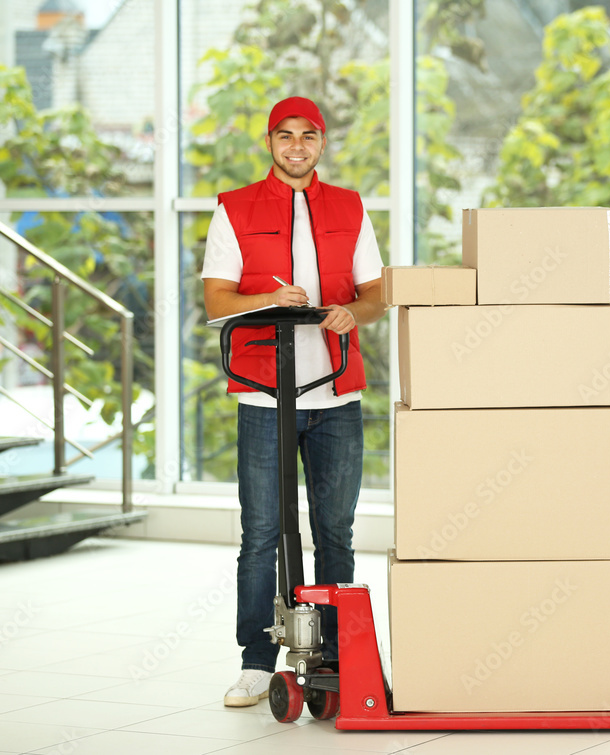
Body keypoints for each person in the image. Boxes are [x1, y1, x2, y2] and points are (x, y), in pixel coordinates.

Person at [201, 96, 385, 707]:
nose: (297, 146)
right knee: (261, 533)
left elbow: (376, 297)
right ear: (270, 142)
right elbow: (217, 302)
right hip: (263, 394)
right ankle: (257, 662)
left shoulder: (350, 207)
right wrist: (270, 301)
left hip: (335, 391)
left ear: (322, 143)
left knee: (335, 531)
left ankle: (336, 656)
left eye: (308, 135)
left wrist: (349, 312)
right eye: (286, 135)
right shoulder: (234, 208)